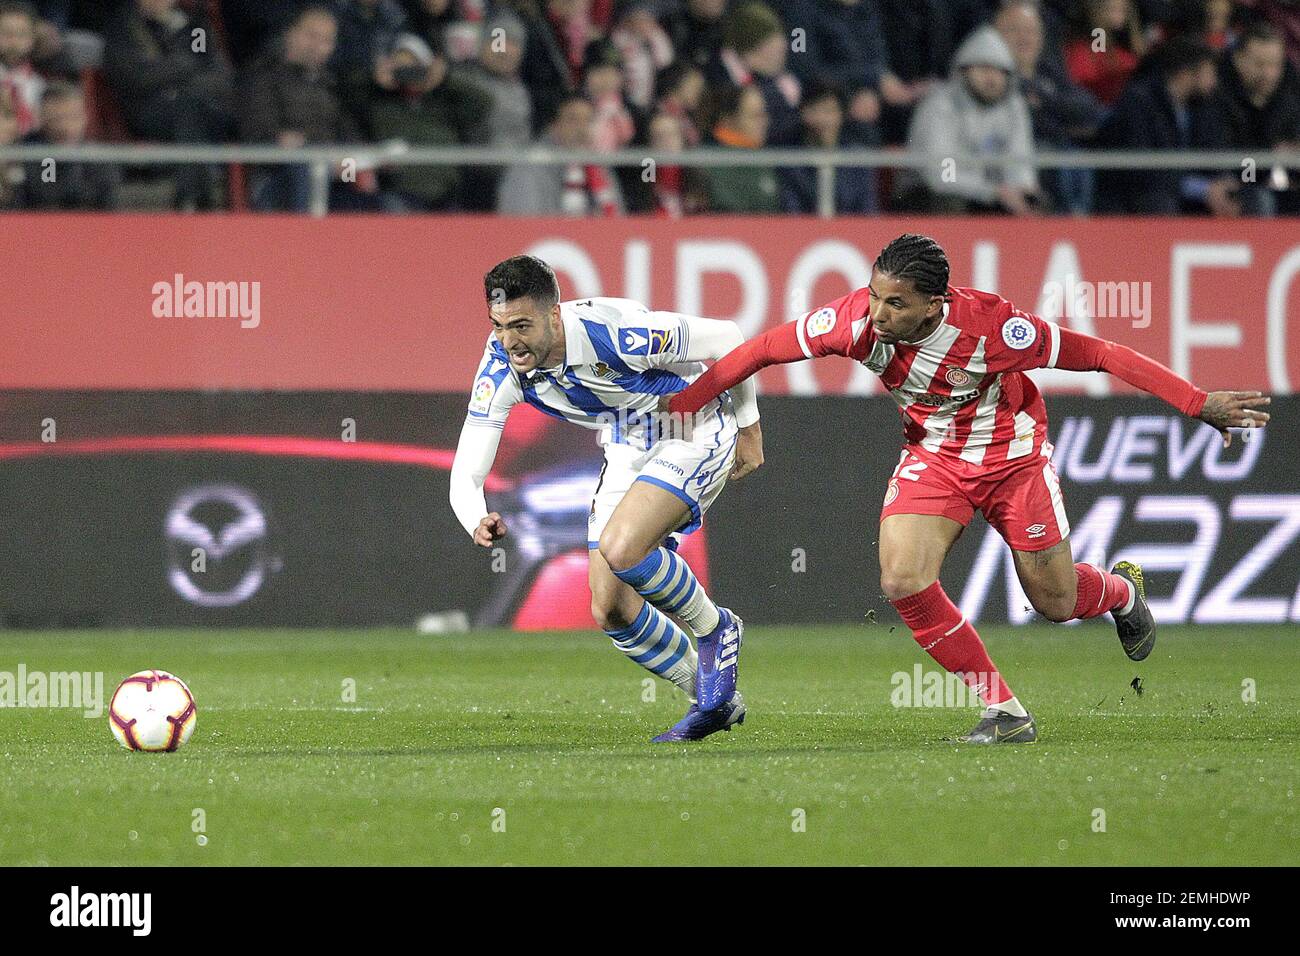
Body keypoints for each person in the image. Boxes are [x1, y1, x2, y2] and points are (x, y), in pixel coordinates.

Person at [662, 233, 1271, 744]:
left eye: (895, 304)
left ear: (935, 305)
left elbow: (1100, 354)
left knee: (1055, 602)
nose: (877, 315)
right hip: (935, 456)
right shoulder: (853, 324)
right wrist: (685, 403)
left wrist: (1196, 402)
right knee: (902, 578)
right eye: (873, 295)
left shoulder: (996, 328)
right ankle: (1005, 712)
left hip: (1014, 459)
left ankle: (1118, 594)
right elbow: (762, 351)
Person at [450, 255, 763, 741]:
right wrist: (475, 516)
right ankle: (713, 699)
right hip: (627, 441)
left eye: (521, 325)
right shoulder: (502, 367)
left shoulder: (615, 334)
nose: (509, 340)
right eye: (498, 326)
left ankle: (716, 630)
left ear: (554, 316)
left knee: (623, 547)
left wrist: (750, 430)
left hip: (693, 426)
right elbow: (467, 468)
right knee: (611, 608)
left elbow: (728, 338)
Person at [900, 24, 1043, 214]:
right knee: (950, 204)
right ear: (964, 71)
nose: (992, 78)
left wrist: (1022, 188)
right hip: (931, 193)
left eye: (999, 71)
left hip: (990, 193)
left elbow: (1020, 159)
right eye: (984, 69)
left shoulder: (1013, 106)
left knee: (1037, 204)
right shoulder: (940, 104)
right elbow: (942, 175)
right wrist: (991, 191)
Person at [496, 93, 624, 215]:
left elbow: (620, 220)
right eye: (573, 120)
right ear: (553, 126)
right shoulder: (529, 167)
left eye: (589, 120)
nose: (582, 129)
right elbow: (521, 226)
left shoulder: (600, 167)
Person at [19, 80, 119, 209]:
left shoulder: (98, 158)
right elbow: (46, 198)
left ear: (85, 117)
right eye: (58, 119)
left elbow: (108, 207)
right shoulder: (27, 152)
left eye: (74, 117)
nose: (66, 127)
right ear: (41, 119)